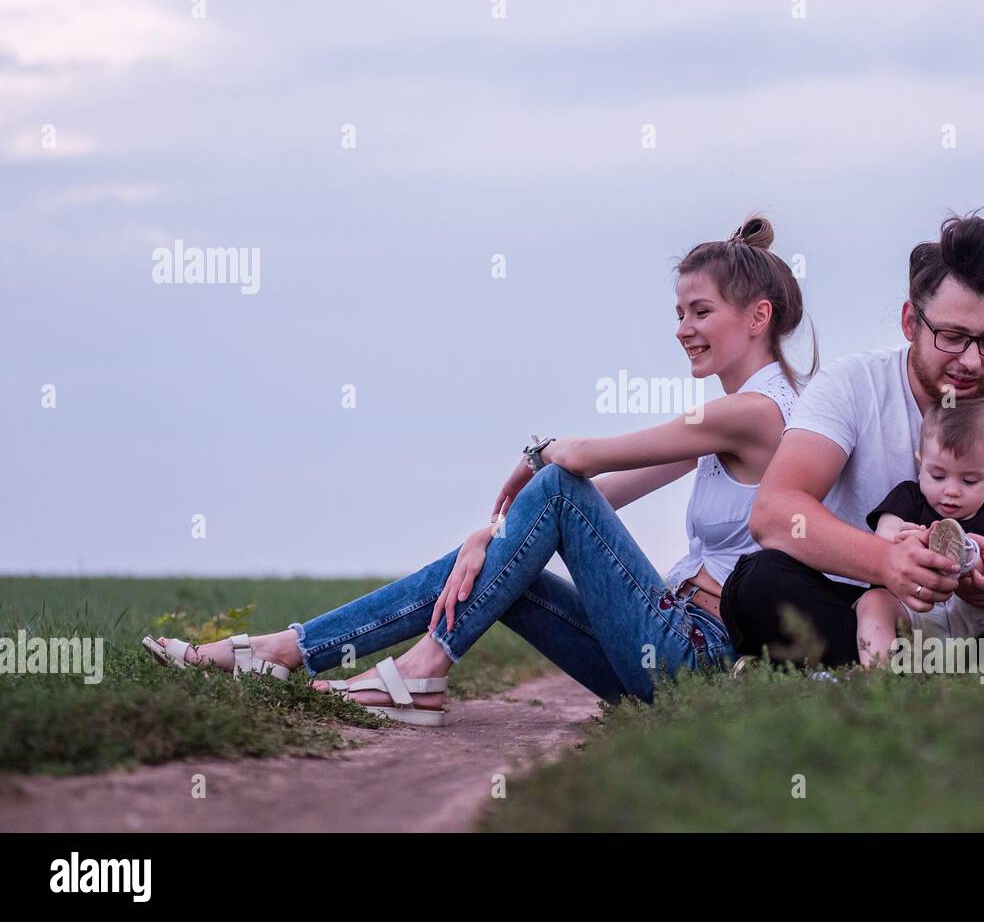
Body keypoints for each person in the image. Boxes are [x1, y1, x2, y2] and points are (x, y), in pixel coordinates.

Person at [144, 216, 817, 721]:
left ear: (758, 316)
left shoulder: (757, 414)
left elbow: (577, 465)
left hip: (692, 656)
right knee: (514, 557)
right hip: (660, 650)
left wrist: (535, 458)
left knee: (553, 487)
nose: (682, 328)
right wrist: (494, 539)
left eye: (700, 311)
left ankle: (410, 665)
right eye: (679, 312)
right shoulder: (734, 416)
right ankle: (288, 649)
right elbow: (596, 501)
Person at [722, 212, 984, 670]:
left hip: (981, 629)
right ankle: (923, 686)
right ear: (910, 321)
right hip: (859, 610)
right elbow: (773, 513)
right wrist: (885, 562)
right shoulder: (851, 383)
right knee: (758, 583)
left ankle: (872, 685)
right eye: (952, 337)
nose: (971, 361)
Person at [854, 396, 984, 667]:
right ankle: (877, 670)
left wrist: (974, 562)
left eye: (969, 480)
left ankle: (962, 552)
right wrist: (905, 540)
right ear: (920, 465)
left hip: (972, 619)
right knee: (873, 602)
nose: (951, 490)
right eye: (938, 476)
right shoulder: (909, 497)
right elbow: (884, 537)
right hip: (915, 610)